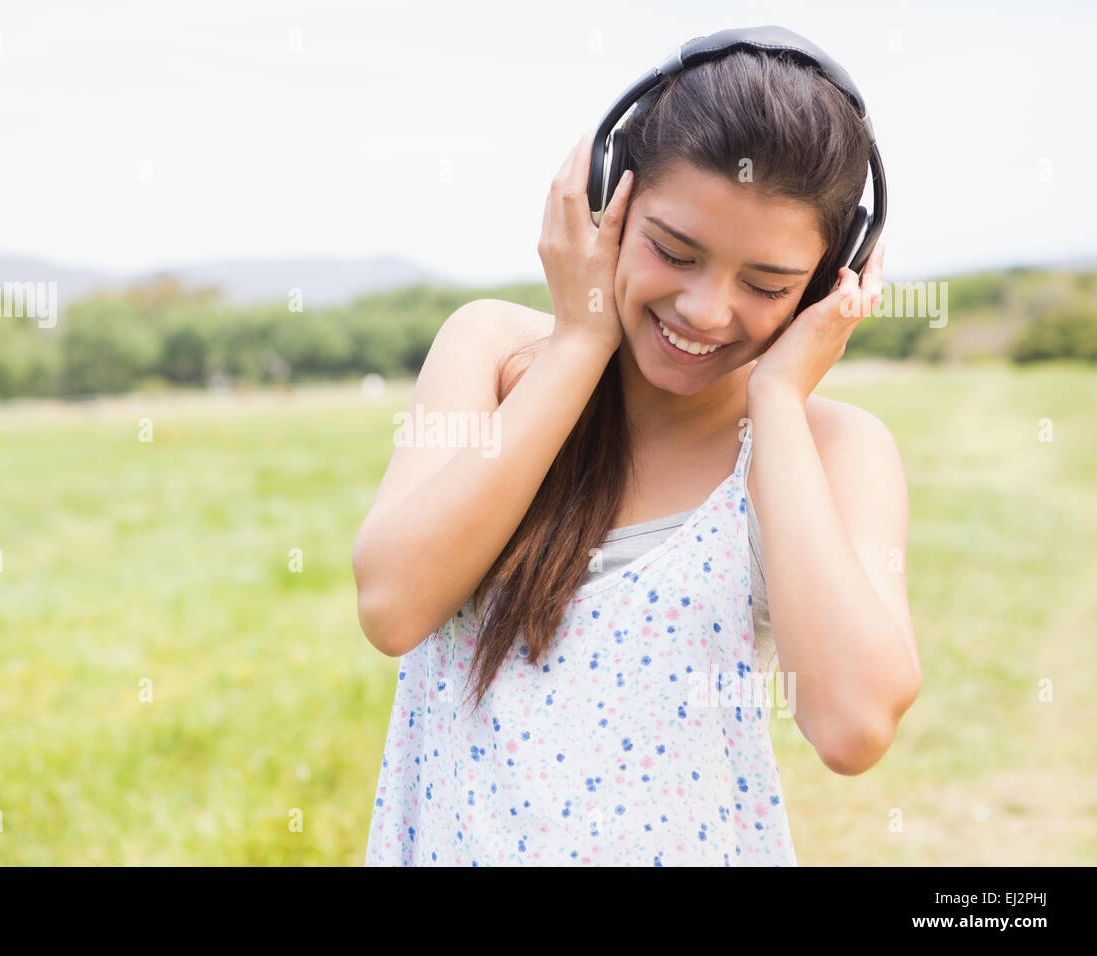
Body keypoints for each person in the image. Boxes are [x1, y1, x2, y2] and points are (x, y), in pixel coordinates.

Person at [353, 46, 921, 866]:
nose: (705, 309)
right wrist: (581, 337)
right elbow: (393, 603)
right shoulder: (494, 354)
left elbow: (853, 725)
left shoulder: (835, 448)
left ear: (828, 285)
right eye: (674, 251)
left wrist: (777, 404)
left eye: (765, 286)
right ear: (604, 204)